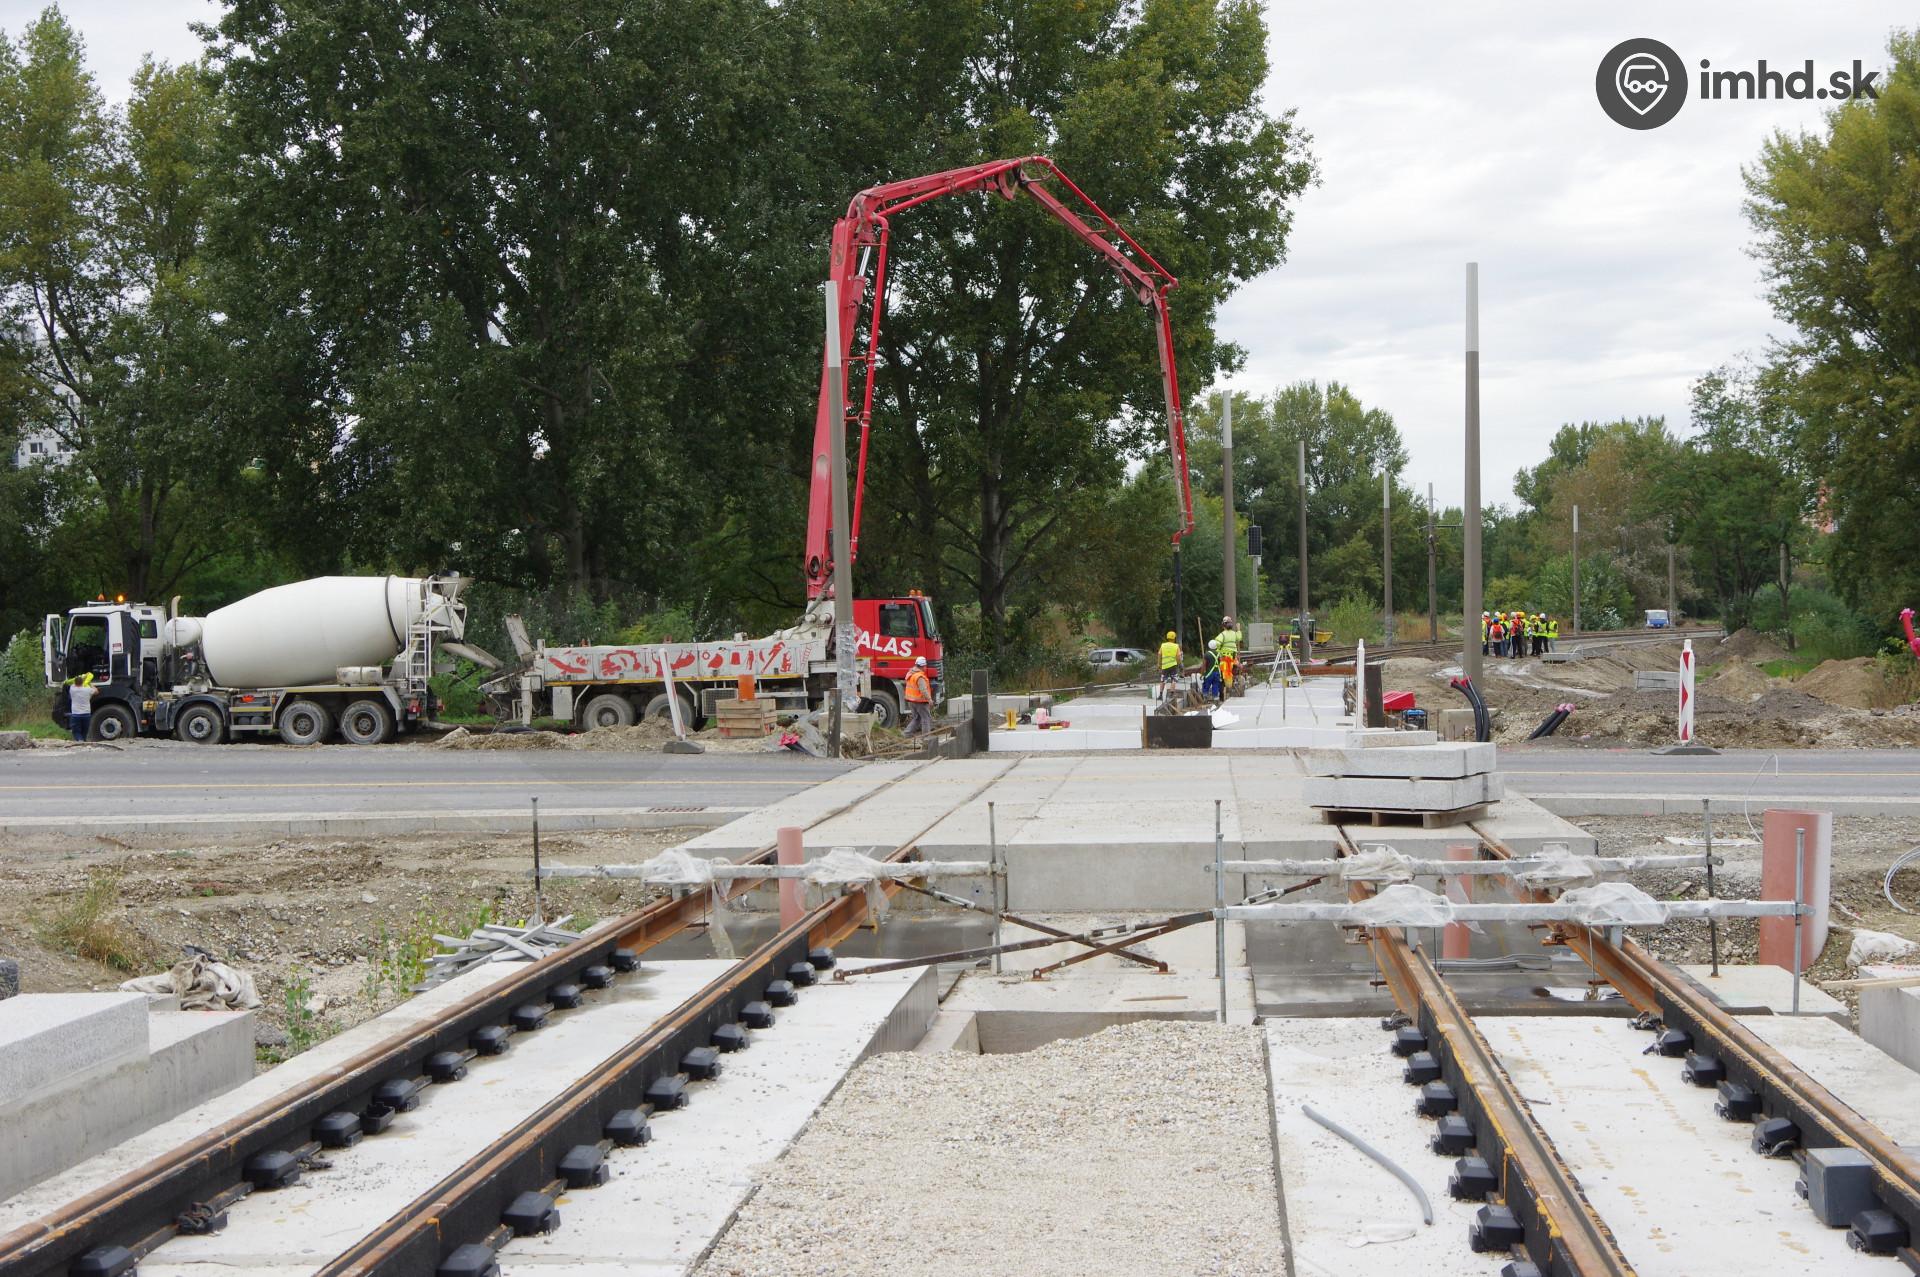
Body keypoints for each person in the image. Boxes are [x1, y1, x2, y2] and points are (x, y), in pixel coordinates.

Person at [903, 656, 934, 736]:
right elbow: (923, 690)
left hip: (911, 701)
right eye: (925, 666)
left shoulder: (910, 674)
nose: (926, 668)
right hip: (920, 701)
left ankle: (907, 733)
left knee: (917, 718)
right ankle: (926, 737)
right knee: (925, 719)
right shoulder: (919, 677)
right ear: (923, 666)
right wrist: (929, 699)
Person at [65, 672, 97, 742]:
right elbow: (96, 691)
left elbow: (69, 682)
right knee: (84, 731)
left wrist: (82, 676)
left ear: (75, 683)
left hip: (76, 715)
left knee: (76, 732)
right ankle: (83, 742)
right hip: (86, 714)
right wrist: (89, 682)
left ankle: (80, 741)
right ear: (82, 682)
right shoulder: (88, 689)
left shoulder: (72, 689)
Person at [1214, 616, 1241, 691]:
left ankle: (1228, 688)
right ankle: (1232, 685)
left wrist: (1218, 651)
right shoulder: (1234, 634)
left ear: (1223, 625)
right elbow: (1239, 637)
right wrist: (1238, 629)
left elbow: (1217, 644)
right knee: (1232, 672)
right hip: (1233, 658)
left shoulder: (1222, 635)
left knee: (1227, 674)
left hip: (1225, 658)